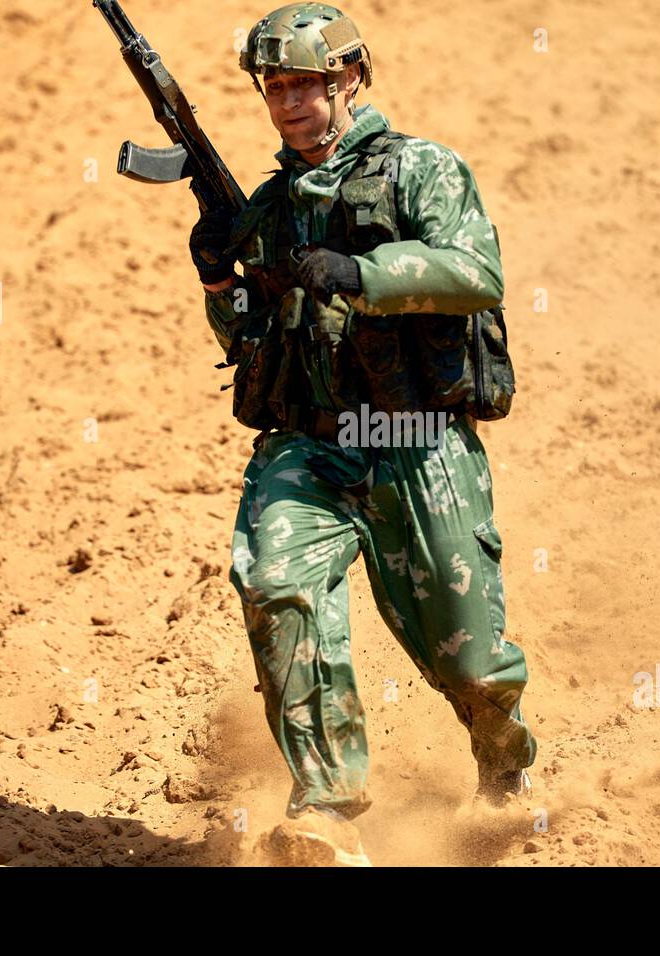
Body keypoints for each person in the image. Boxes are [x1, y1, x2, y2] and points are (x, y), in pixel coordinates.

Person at [188, 2, 537, 866]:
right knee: (277, 586)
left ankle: (505, 774)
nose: (289, 102)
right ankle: (327, 807)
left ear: (349, 79)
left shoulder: (421, 170)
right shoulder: (267, 207)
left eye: (306, 82)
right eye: (275, 87)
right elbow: (247, 340)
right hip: (308, 441)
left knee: (471, 661)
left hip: (418, 438)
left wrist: (364, 273)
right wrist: (217, 277)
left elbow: (477, 271)